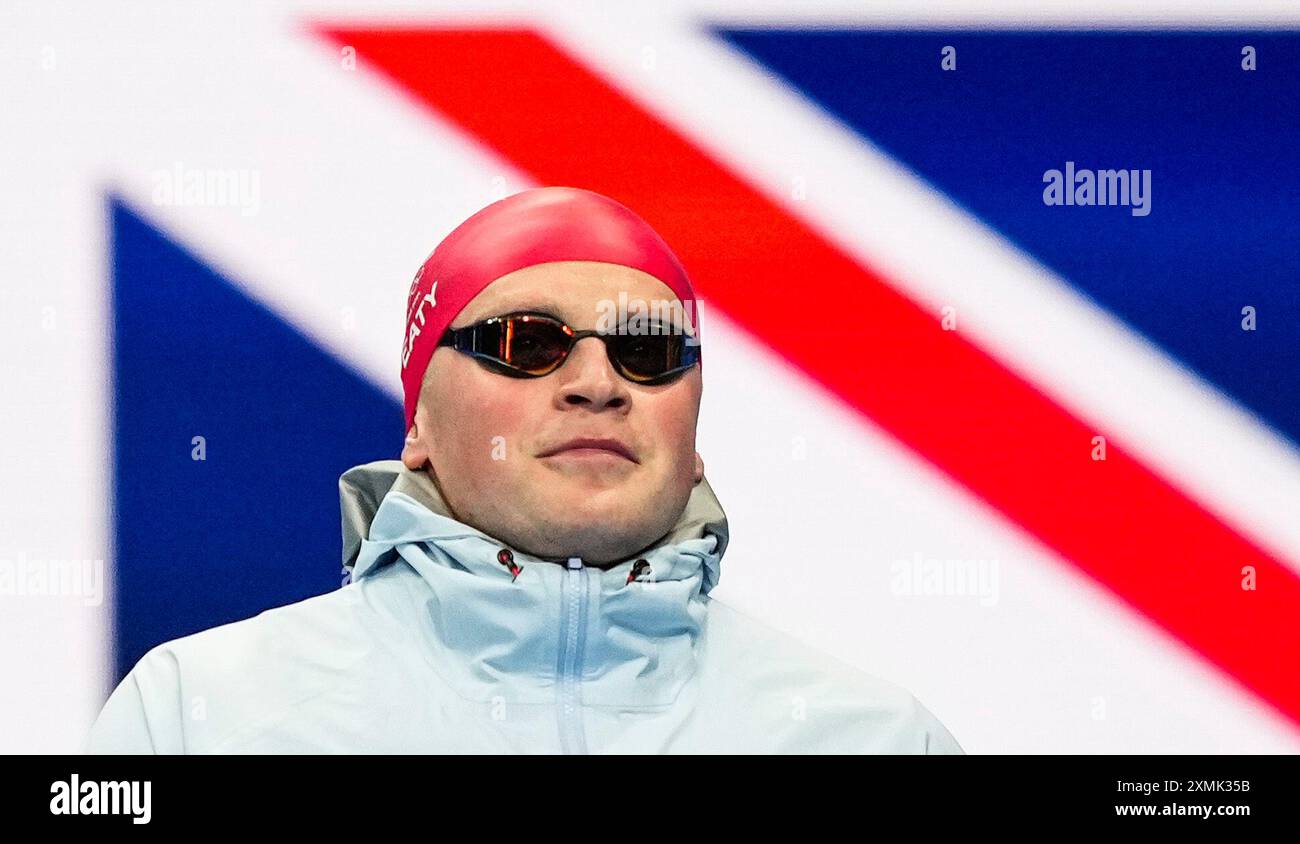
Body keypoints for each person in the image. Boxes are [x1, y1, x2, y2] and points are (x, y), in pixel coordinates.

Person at [85, 186, 964, 754]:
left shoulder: (873, 738)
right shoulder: (199, 718)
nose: (596, 383)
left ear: (692, 425)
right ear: (419, 422)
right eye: (527, 345)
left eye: (647, 352)